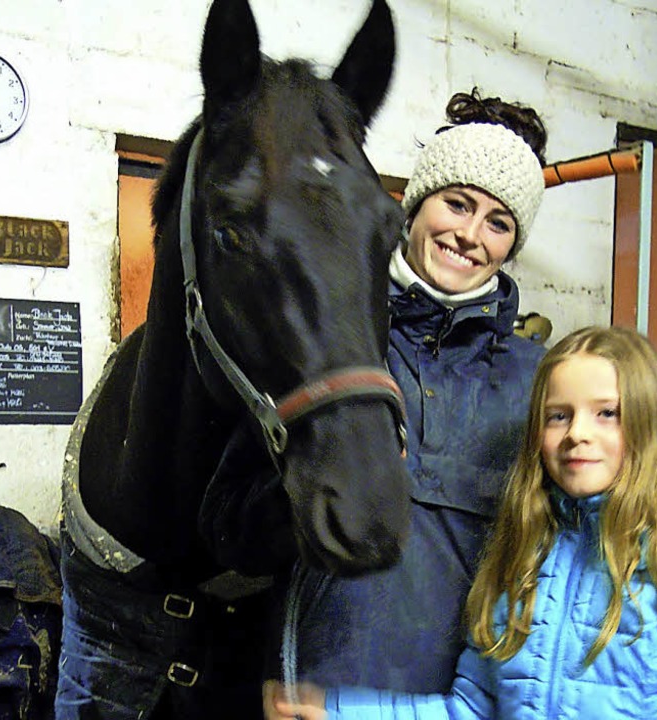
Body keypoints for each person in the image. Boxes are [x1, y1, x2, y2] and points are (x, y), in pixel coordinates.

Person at [199, 87, 550, 694]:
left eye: (498, 223)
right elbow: (225, 528)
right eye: (457, 204)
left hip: (462, 700)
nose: (470, 235)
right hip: (321, 693)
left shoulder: (533, 377)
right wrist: (316, 484)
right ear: (414, 207)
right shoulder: (324, 340)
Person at [270, 325, 657, 720]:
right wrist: (336, 713)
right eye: (559, 414)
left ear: (649, 424)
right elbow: (471, 710)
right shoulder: (523, 555)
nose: (578, 434)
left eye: (607, 413)